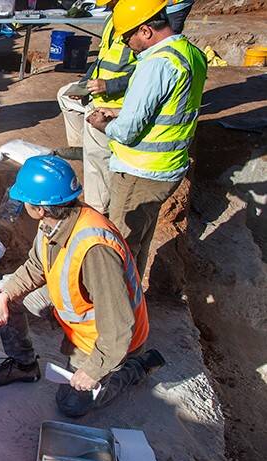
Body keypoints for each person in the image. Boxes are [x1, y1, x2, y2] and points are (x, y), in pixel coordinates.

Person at [0, 156, 165, 417]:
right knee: (2, 292)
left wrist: (95, 369)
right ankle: (24, 365)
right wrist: (7, 295)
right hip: (74, 306)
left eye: (25, 201)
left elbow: (119, 325)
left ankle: (134, 367)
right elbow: (36, 265)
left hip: (103, 335)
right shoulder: (55, 221)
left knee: (71, 404)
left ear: (40, 208)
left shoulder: (96, 250)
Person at [87, 0, 206, 278]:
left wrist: (103, 125)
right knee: (137, 244)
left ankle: (115, 314)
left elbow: (127, 131)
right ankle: (135, 303)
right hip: (166, 168)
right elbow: (169, 107)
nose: (128, 44)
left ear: (146, 31)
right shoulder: (190, 53)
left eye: (128, 37)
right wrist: (120, 110)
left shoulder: (156, 65)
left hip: (139, 170)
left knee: (117, 248)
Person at [54, 0, 137, 215]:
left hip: (115, 101)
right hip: (99, 90)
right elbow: (101, 60)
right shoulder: (114, 19)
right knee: (65, 96)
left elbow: (142, 75)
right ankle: (79, 147)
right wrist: (83, 85)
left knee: (97, 157)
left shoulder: (137, 23)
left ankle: (96, 211)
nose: (106, 6)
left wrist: (108, 86)